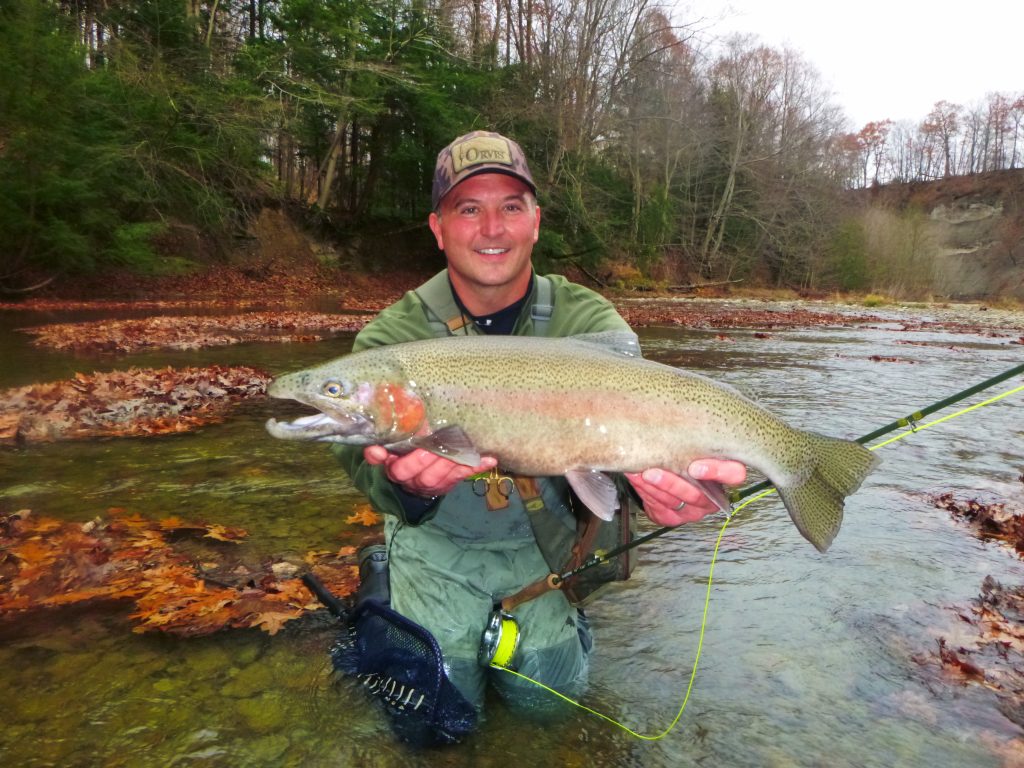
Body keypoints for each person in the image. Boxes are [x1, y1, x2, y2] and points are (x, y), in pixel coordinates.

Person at [332, 130, 746, 738]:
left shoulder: (589, 322)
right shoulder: (392, 341)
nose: (492, 228)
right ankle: (387, 574)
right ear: (437, 227)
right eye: (469, 208)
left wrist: (659, 493)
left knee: (547, 713)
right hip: (434, 549)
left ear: (535, 222)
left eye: (511, 207)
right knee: (436, 723)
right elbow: (358, 461)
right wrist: (408, 487)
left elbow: (630, 451)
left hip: (546, 550)